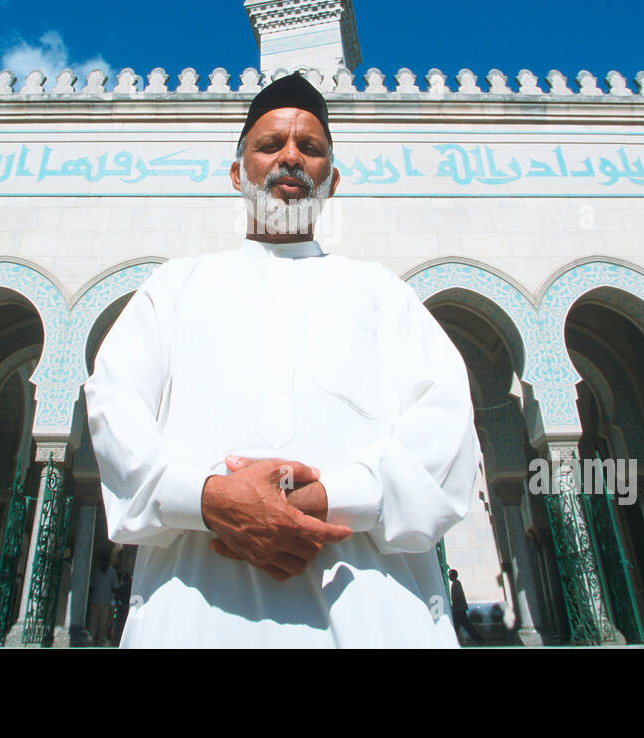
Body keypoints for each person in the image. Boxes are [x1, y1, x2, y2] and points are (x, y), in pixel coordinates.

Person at [85, 72, 480, 648]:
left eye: (310, 148)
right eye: (270, 145)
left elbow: (445, 427)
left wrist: (326, 498)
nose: (290, 157)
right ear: (236, 171)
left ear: (332, 180)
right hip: (194, 620)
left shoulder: (381, 293)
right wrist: (209, 499)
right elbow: (113, 409)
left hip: (373, 620)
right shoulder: (175, 288)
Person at [87, 557, 119, 646]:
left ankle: (98, 641)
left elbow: (115, 588)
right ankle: (92, 641)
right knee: (95, 623)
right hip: (96, 602)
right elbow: (91, 586)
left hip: (105, 603)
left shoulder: (112, 572)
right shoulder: (96, 571)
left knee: (102, 624)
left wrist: (112, 602)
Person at [449, 568, 485, 645]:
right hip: (458, 609)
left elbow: (458, 596)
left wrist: (453, 605)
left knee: (465, 626)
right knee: (460, 626)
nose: (449, 576)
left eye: (450, 575)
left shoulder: (456, 584)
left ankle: (479, 640)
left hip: (459, 609)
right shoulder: (456, 583)